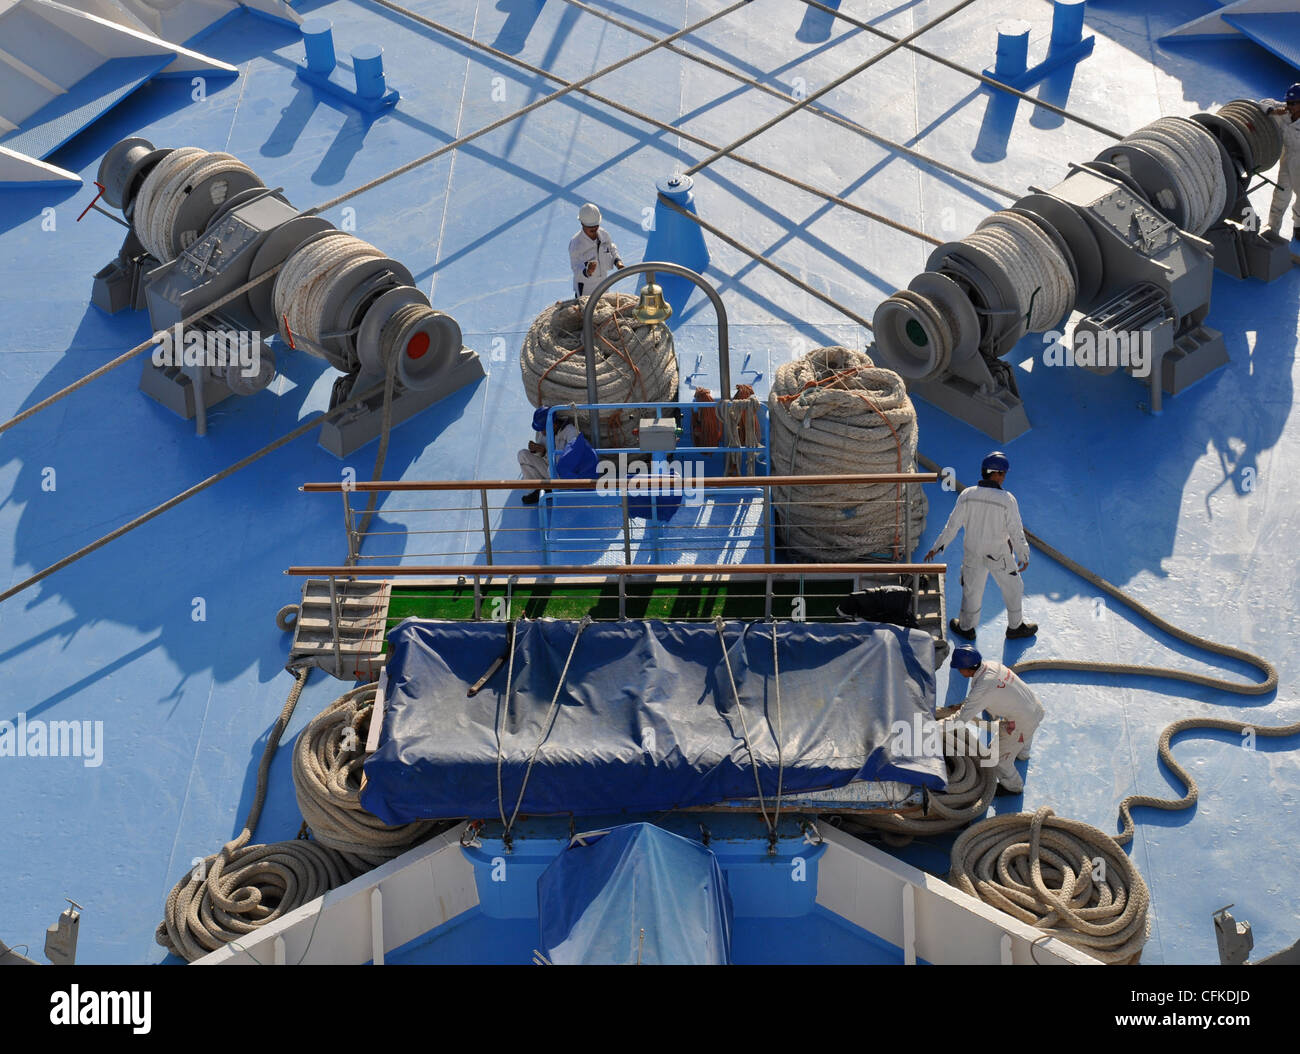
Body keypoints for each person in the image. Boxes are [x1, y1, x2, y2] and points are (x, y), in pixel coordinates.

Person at [924, 450, 1037, 640]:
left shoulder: (967, 495)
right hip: (999, 555)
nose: (1004, 478)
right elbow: (1016, 531)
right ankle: (1015, 627)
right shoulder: (1007, 500)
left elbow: (952, 525)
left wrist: (937, 547)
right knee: (1013, 587)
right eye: (1003, 473)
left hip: (973, 553)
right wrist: (1023, 555)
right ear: (996, 473)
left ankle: (966, 628)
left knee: (972, 591)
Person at [939, 646, 1043, 795]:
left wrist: (932, 727)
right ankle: (1023, 753)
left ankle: (1014, 787)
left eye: (958, 668)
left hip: (1021, 723)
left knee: (997, 760)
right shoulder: (991, 666)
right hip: (1034, 708)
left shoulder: (983, 688)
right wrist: (964, 705)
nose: (957, 671)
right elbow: (988, 694)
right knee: (1025, 734)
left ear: (966, 669)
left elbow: (959, 721)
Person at [517, 406, 586, 505]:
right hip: (550, 470)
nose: (541, 432)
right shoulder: (543, 432)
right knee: (522, 454)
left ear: (553, 424)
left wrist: (545, 452)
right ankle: (536, 490)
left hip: (565, 475)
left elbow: (572, 458)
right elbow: (544, 455)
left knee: (551, 469)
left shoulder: (570, 432)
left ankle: (555, 489)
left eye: (543, 429)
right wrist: (537, 450)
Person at [1263, 84, 1300, 242]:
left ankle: (1298, 229)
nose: (1289, 106)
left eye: (1293, 103)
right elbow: (1263, 103)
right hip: (1287, 159)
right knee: (1280, 194)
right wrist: (1272, 111)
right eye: (1288, 103)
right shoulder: (1283, 112)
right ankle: (1273, 228)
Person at [569, 203, 624, 298]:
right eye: (591, 228)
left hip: (603, 285)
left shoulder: (603, 235)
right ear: (582, 224)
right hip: (586, 290)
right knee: (587, 311)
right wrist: (587, 272)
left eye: (596, 226)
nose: (595, 229)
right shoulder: (576, 244)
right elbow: (576, 270)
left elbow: (611, 248)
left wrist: (618, 261)